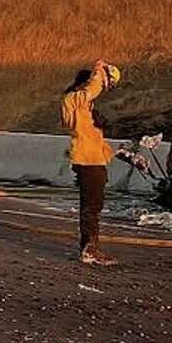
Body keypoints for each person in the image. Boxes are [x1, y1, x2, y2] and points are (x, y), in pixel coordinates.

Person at [61, 59, 122, 266]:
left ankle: (90, 247)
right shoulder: (73, 100)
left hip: (94, 159)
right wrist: (99, 71)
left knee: (93, 206)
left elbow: (95, 139)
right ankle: (89, 249)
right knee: (91, 207)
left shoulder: (85, 107)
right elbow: (91, 90)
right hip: (87, 161)